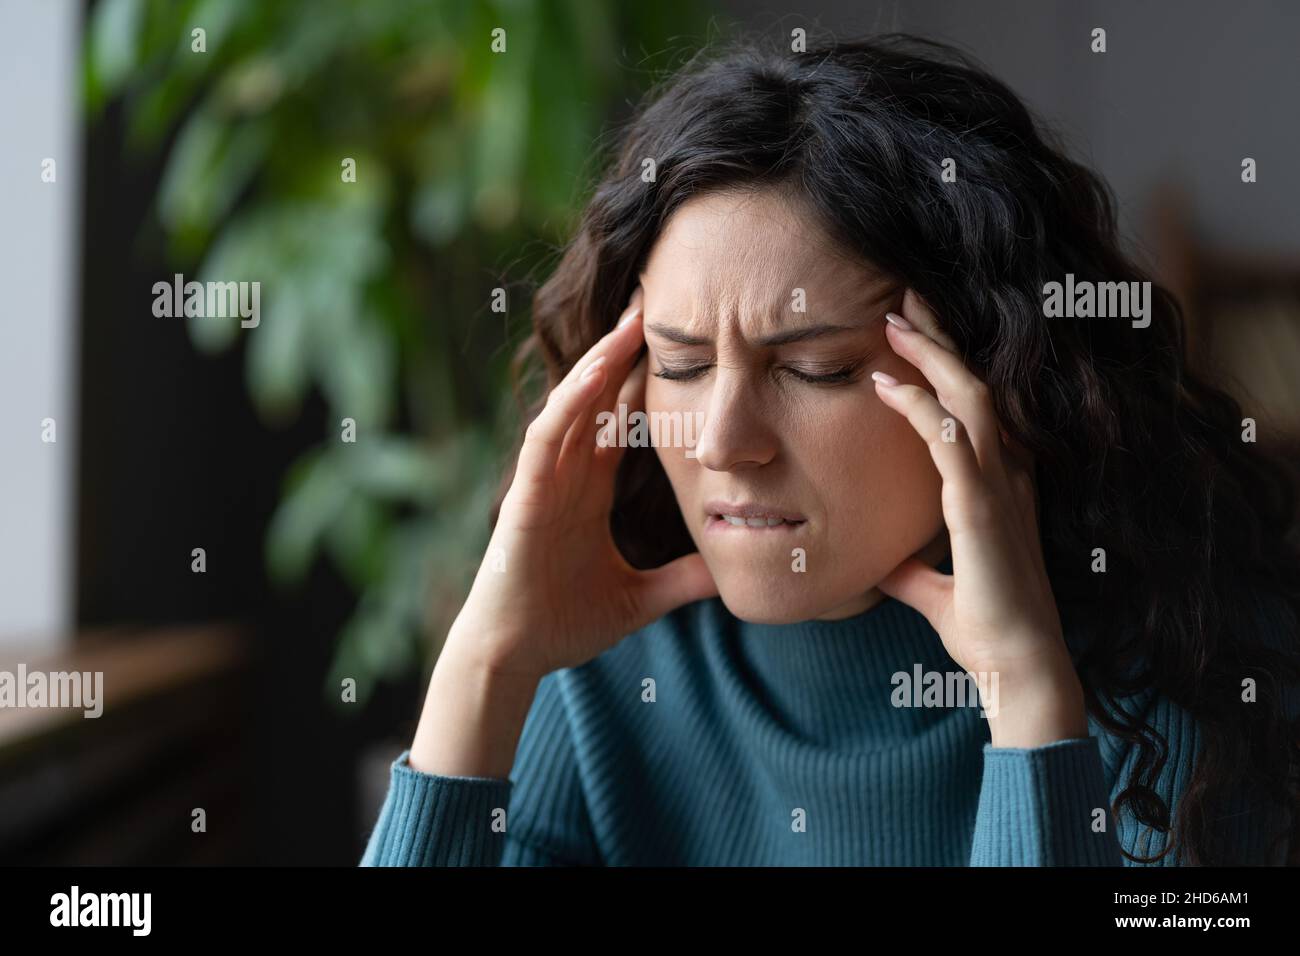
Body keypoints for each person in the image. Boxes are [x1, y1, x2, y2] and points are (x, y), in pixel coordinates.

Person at [360, 33, 1300, 866]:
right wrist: (483, 669)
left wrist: (1030, 705)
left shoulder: (1193, 684)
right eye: (680, 364)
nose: (722, 441)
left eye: (813, 370)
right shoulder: (607, 688)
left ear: (992, 379)